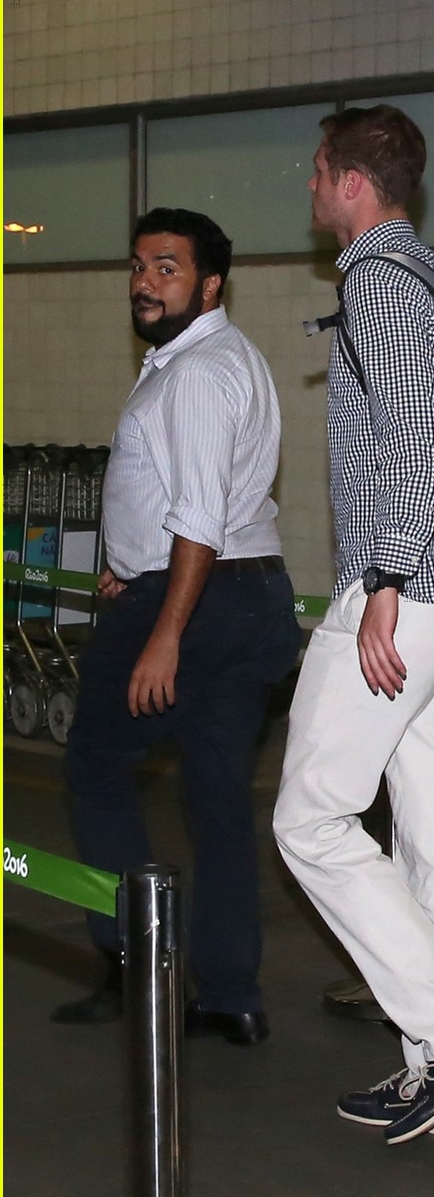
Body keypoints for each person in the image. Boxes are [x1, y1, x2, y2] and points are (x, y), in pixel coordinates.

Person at [273, 106, 434, 1143]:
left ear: (349, 183)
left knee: (311, 819)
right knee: (433, 841)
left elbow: (417, 440)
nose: (308, 187)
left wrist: (382, 577)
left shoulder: (378, 280)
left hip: (405, 590)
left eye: (316, 172)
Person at [53, 207, 302, 1044]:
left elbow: (198, 517)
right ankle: (230, 995)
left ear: (210, 284)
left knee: (95, 768)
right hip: (249, 598)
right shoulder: (229, 358)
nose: (145, 283)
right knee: (217, 799)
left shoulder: (193, 374)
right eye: (138, 266)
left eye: (167, 268)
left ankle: (132, 963)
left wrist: (163, 630)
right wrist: (132, 557)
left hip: (193, 605)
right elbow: (208, 500)